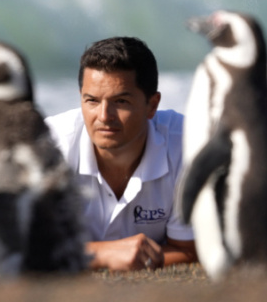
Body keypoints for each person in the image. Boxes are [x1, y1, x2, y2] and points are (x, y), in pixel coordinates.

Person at [45, 37, 197, 271]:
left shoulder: (187, 147)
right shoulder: (50, 147)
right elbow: (18, 247)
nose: (104, 116)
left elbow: (189, 249)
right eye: (92, 101)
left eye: (121, 101)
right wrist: (101, 255)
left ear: (152, 105)